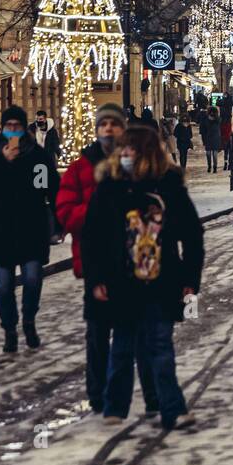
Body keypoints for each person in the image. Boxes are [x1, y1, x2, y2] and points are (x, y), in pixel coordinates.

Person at [82, 124, 204, 430]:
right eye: (123, 148)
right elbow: (91, 237)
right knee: (122, 346)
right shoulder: (110, 186)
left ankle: (171, 409)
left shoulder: (169, 185)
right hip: (122, 281)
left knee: (160, 346)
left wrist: (190, 278)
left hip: (162, 282)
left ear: (147, 152)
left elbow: (192, 234)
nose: (125, 153)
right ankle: (114, 406)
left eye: (131, 148)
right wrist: (96, 279)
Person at [56, 103, 159, 415]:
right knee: (98, 333)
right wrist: (96, 215)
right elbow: (63, 210)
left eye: (115, 124)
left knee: (141, 332)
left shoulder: (137, 165)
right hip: (95, 259)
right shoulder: (81, 167)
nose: (109, 130)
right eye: (104, 125)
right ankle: (98, 394)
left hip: (135, 261)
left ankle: (152, 395)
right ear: (98, 129)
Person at [0, 105, 59, 353]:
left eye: (17, 126)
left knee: (33, 278)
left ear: (24, 128)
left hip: (30, 225)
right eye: (8, 126)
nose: (12, 130)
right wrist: (3, 160)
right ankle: (10, 329)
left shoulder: (37, 155)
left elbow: (47, 186)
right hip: (1, 227)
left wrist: (58, 221)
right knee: (3, 284)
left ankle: (29, 319)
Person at [201, 107, 222, 173]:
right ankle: (209, 166)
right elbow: (203, 131)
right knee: (208, 154)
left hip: (215, 138)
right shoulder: (206, 120)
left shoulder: (217, 120)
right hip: (208, 138)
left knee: (214, 154)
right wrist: (203, 140)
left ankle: (215, 167)